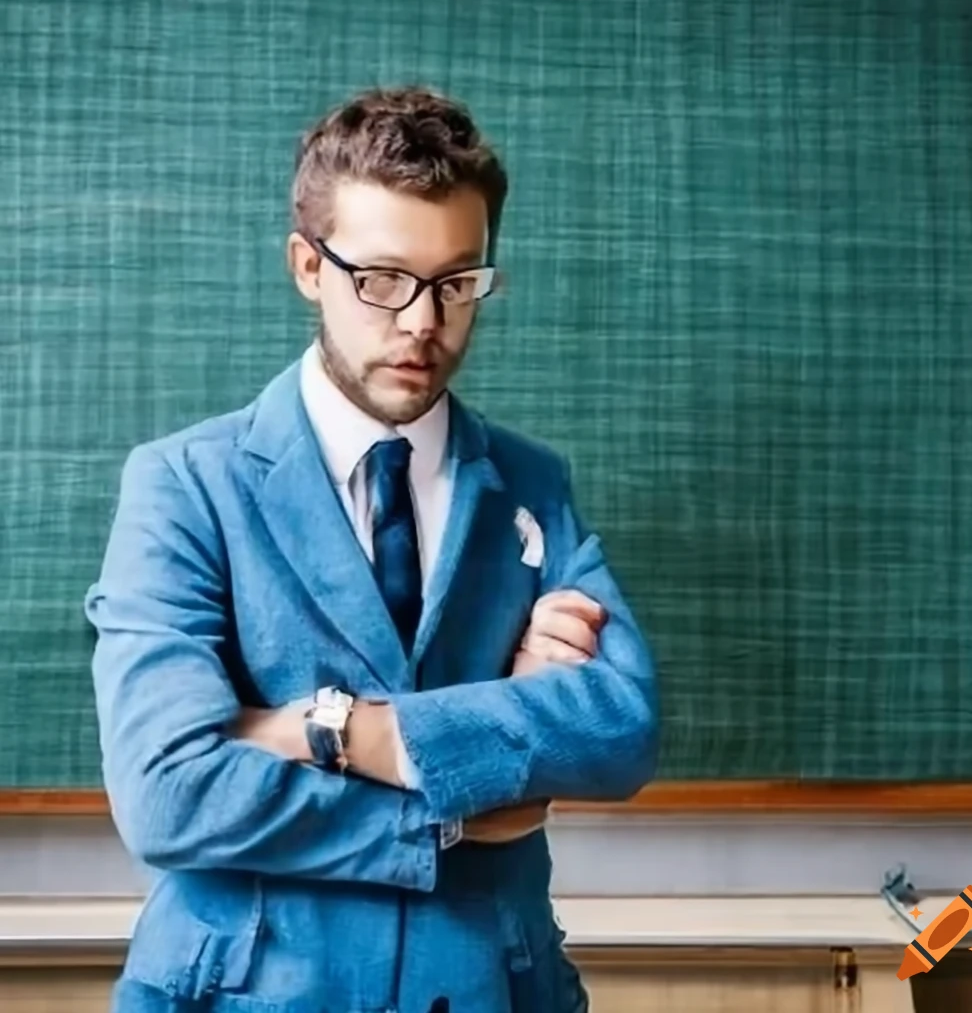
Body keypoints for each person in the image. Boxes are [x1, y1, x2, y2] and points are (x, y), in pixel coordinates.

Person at [86, 84, 658, 1013]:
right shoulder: (183, 485)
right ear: (308, 267)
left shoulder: (533, 483)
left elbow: (619, 725)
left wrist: (338, 732)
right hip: (245, 994)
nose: (425, 324)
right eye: (383, 280)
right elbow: (169, 790)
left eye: (458, 282)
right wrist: (465, 799)